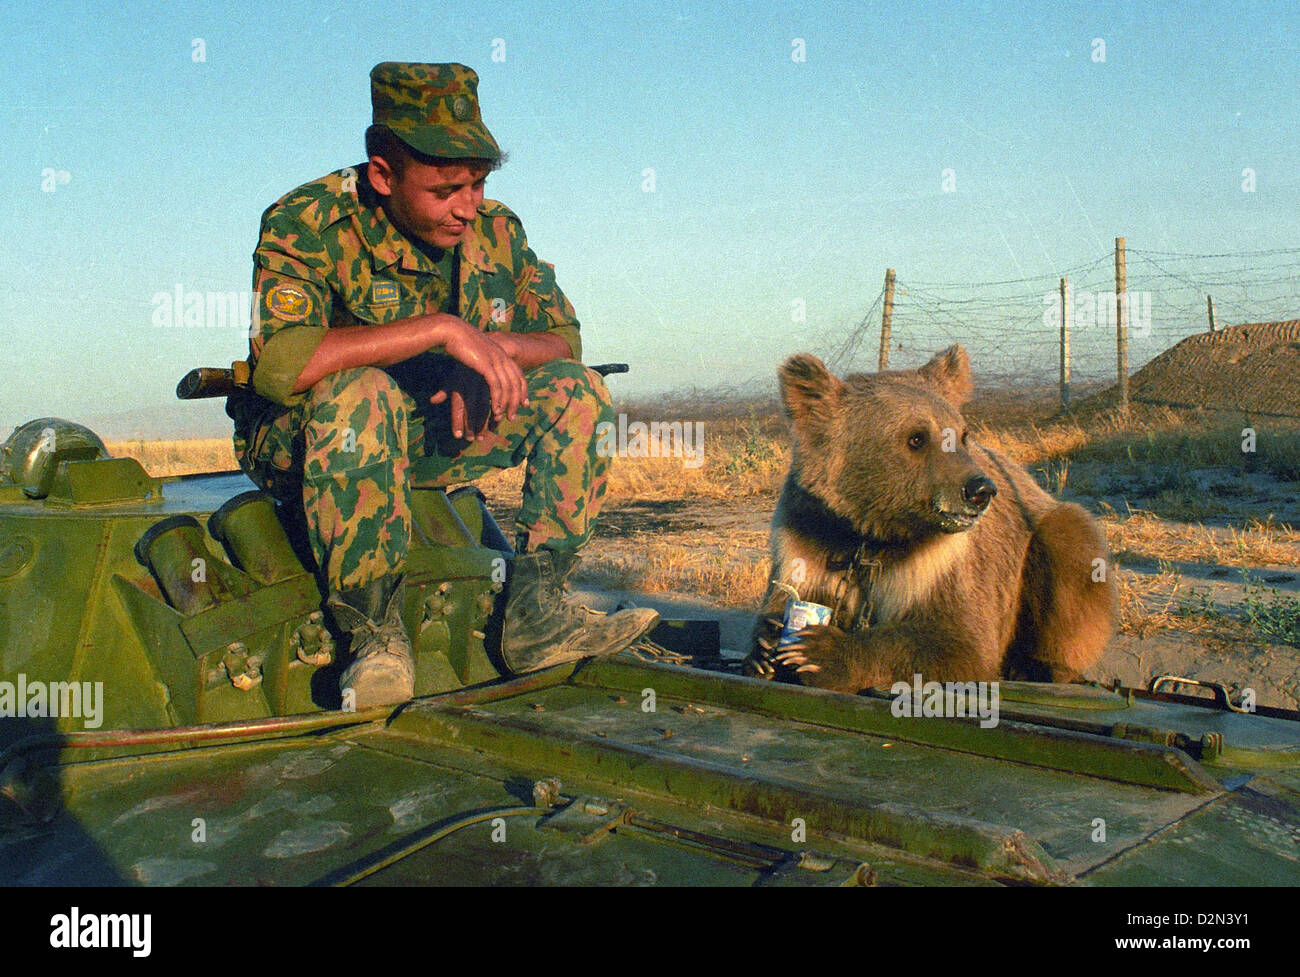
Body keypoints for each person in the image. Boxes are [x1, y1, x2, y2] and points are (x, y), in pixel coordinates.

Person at [229, 62, 657, 707]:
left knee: (577, 389)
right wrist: (441, 330)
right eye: (446, 189)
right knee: (360, 391)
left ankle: (538, 615)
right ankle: (373, 637)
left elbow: (564, 340)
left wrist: (488, 352)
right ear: (382, 173)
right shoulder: (308, 220)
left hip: (429, 435)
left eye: (478, 185)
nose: (468, 206)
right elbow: (285, 362)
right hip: (310, 445)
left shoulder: (498, 230)